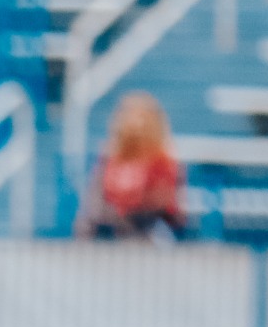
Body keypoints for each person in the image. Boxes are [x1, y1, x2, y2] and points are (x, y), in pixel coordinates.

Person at [78, 92, 188, 240]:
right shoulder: (109, 160)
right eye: (131, 117)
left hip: (148, 230)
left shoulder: (163, 162)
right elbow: (95, 205)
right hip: (111, 232)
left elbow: (170, 208)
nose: (136, 125)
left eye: (142, 118)